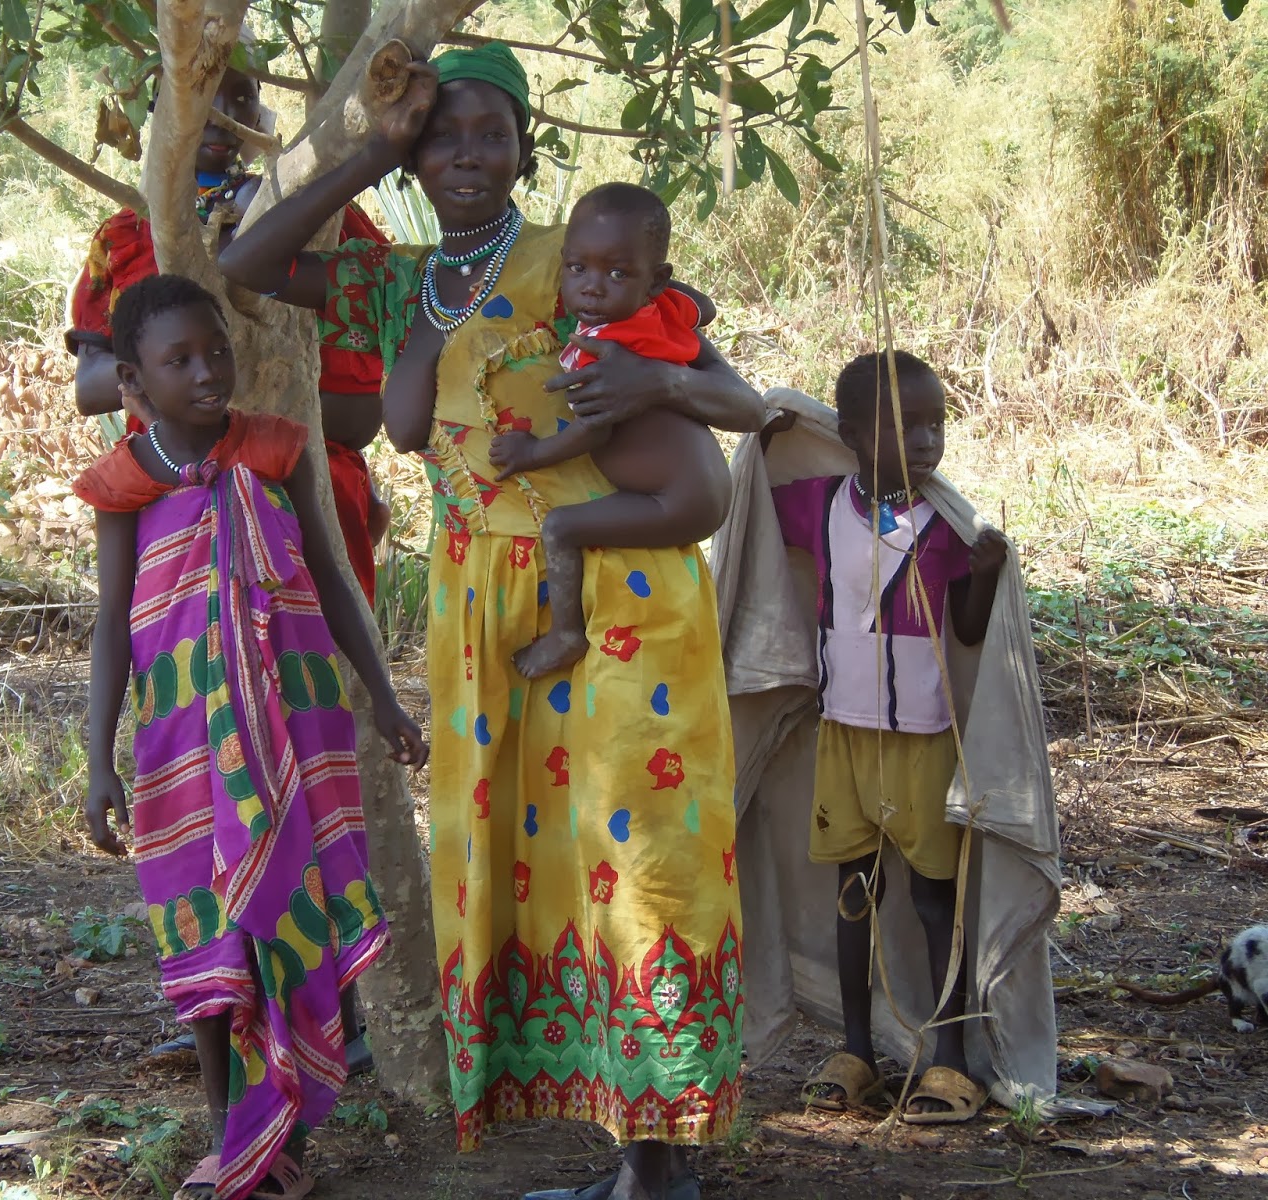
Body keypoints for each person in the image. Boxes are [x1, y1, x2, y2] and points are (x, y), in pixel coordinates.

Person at [220, 42, 767, 1200]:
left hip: (614, 606)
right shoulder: (398, 280)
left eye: (492, 134)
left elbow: (735, 399)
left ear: (528, 148)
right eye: (443, 135)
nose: (469, 155)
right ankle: (631, 1170)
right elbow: (248, 258)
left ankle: (662, 1170)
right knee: (540, 878)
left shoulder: (578, 263)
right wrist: (364, 151)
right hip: (482, 614)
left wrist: (662, 385)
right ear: (415, 153)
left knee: (638, 868)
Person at [75, 274, 428, 1199]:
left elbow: (330, 575)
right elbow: (114, 625)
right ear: (135, 379)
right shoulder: (125, 483)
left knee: (289, 915)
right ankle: (229, 1136)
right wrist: (96, 761)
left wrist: (384, 699)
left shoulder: (274, 450)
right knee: (209, 932)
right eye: (178, 360)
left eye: (216, 351)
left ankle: (292, 1150)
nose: (206, 372)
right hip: (184, 745)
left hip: (296, 730)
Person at [761, 351, 1006, 1124]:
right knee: (853, 893)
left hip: (923, 741)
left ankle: (949, 1058)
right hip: (845, 737)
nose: (931, 439)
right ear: (857, 435)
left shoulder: (946, 525)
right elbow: (750, 498)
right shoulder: (822, 503)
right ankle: (857, 1051)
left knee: (937, 899)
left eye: (939, 422)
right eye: (912, 425)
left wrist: (989, 572)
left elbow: (966, 630)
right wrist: (773, 422)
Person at [64, 63, 393, 606]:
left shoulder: (312, 219)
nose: (222, 117)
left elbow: (359, 409)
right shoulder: (124, 237)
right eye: (200, 97)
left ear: (260, 114)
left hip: (302, 465)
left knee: (318, 619)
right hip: (172, 467)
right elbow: (90, 386)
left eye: (240, 98)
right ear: (161, 111)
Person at [470, 182, 729, 677]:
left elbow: (595, 434)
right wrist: (642, 283)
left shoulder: (608, 351)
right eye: (577, 268)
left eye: (616, 272)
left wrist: (531, 453)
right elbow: (707, 309)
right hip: (700, 483)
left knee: (561, 527)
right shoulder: (659, 313)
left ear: (655, 280)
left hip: (679, 499)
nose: (591, 287)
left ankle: (566, 634)